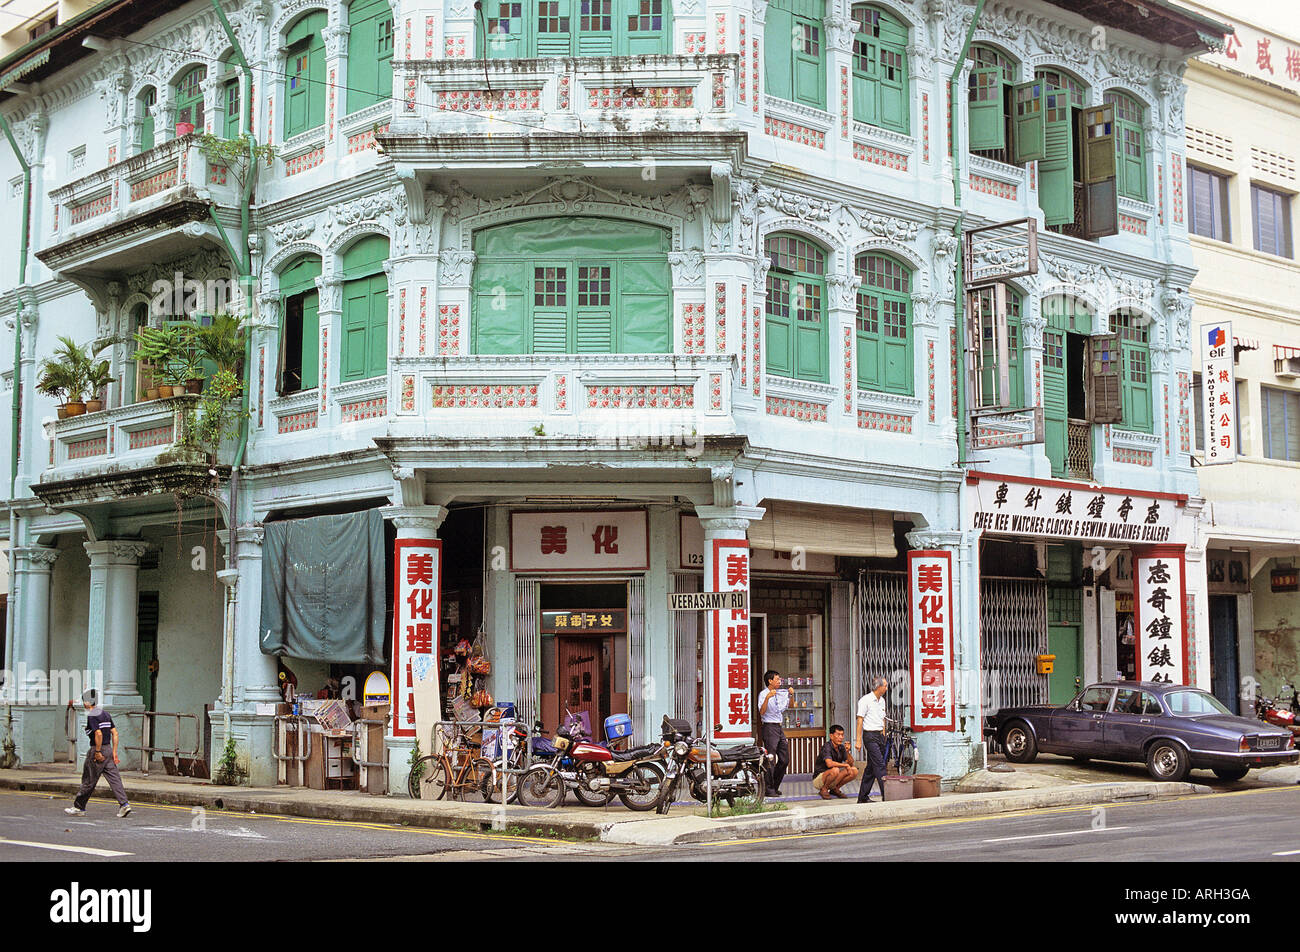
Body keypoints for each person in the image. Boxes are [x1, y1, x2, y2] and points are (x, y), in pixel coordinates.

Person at [65, 689, 131, 818]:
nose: (84, 703)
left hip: (98, 749)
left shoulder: (92, 715)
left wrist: (98, 751)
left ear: (89, 702)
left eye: (84, 701)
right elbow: (115, 733)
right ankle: (124, 805)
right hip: (108, 749)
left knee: (88, 780)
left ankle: (79, 807)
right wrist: (114, 752)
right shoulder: (105, 714)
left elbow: (98, 733)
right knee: (115, 779)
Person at [756, 669, 793, 796]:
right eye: (777, 679)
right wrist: (767, 698)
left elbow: (790, 707)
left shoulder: (780, 693)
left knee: (784, 759)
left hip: (779, 727)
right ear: (770, 681)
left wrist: (791, 695)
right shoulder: (763, 694)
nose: (779, 681)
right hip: (769, 727)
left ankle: (775, 785)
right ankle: (768, 789)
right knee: (770, 759)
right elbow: (761, 712)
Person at [855, 676, 889, 804]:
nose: (886, 688)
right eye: (885, 686)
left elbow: (883, 719)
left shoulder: (882, 701)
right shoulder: (865, 700)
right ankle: (887, 795)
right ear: (879, 687)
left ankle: (862, 797)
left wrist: (883, 734)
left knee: (871, 768)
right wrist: (858, 740)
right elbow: (860, 720)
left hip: (879, 736)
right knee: (880, 765)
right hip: (869, 736)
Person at [812, 724, 858, 799]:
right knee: (835, 770)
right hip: (819, 778)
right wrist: (845, 765)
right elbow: (829, 764)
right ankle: (824, 789)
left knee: (854, 770)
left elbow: (850, 763)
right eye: (838, 735)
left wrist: (847, 751)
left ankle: (835, 789)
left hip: (833, 776)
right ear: (831, 736)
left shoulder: (841, 747)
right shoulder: (827, 747)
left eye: (842, 735)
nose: (841, 737)